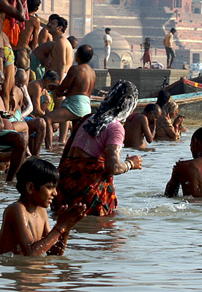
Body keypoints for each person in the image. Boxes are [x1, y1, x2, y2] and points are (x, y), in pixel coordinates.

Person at [52, 81, 143, 252]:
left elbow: (66, 157)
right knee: (109, 241)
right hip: (88, 190)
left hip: (64, 186)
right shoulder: (115, 127)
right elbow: (113, 167)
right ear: (129, 106)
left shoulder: (88, 119)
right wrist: (132, 163)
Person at [0, 158, 88, 256]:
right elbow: (31, 254)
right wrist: (60, 227)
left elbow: (53, 253)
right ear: (30, 188)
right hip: (14, 267)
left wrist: (66, 229)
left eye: (55, 188)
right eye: (49, 187)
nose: (55, 193)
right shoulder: (17, 209)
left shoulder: (42, 211)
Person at [44, 44, 95, 148]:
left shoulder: (76, 69)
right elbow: (78, 90)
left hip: (75, 105)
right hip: (86, 107)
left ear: (78, 56)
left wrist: (55, 88)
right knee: (75, 135)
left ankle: (48, 149)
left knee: (47, 118)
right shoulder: (92, 72)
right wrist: (61, 91)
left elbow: (62, 88)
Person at [14, 0, 42, 73]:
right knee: (24, 81)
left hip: (10, 51)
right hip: (23, 52)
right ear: (36, 9)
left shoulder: (14, 16)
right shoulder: (35, 20)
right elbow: (34, 43)